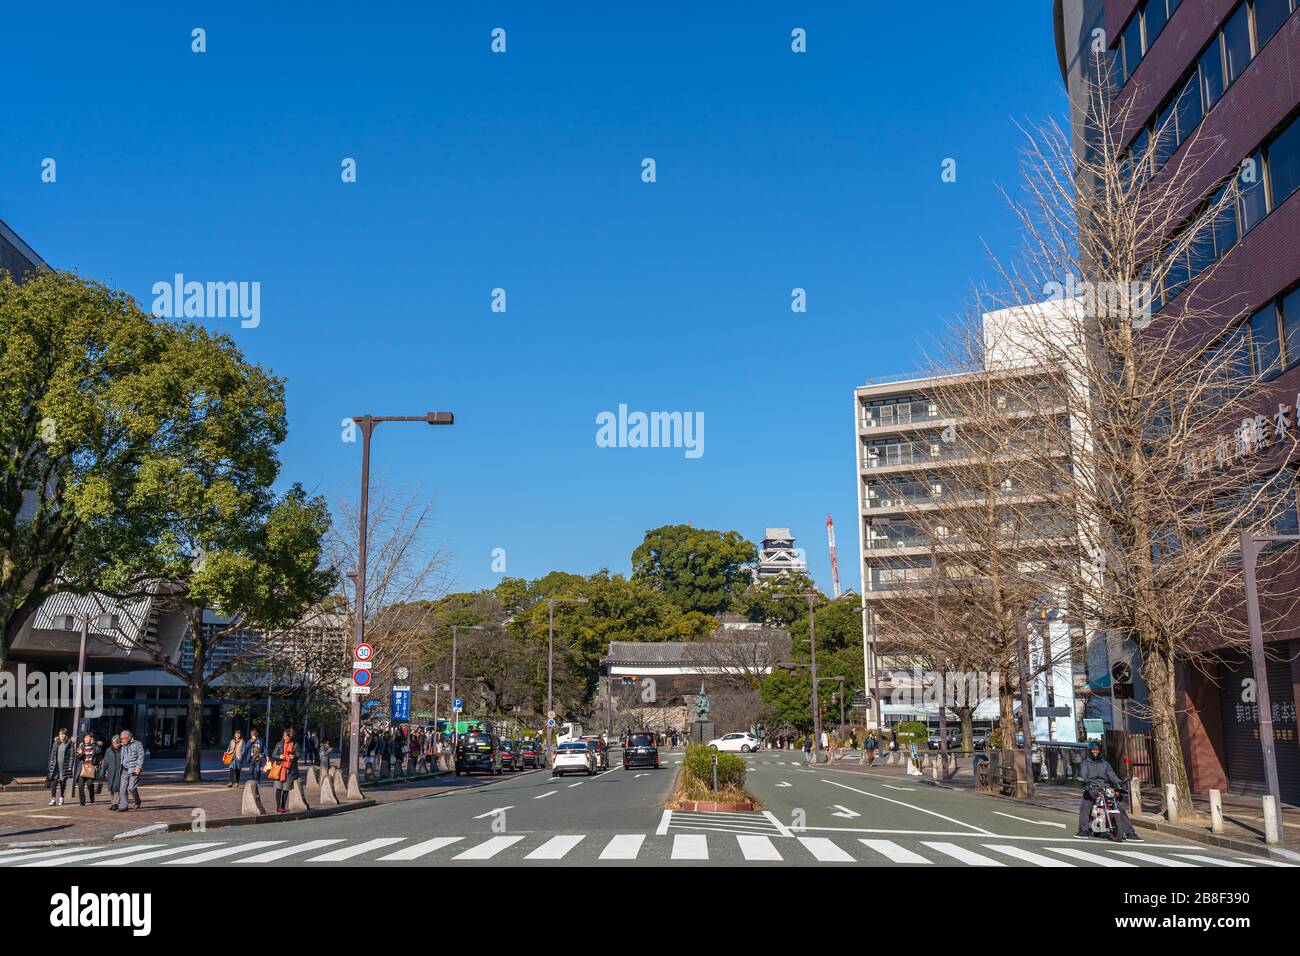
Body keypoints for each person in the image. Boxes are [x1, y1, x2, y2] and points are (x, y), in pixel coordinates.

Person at [1076, 740, 1141, 840]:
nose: (1095, 751)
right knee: (1085, 805)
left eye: (1097, 749)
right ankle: (1083, 830)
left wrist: (1119, 783)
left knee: (1119, 807)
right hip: (1091, 788)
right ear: (1089, 750)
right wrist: (1085, 782)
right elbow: (1083, 774)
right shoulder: (1086, 763)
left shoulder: (1105, 764)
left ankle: (1129, 832)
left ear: (1100, 750)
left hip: (1105, 789)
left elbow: (1112, 775)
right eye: (1093, 749)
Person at [270, 729, 299, 813]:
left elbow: (299, 754)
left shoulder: (295, 745)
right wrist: (280, 756)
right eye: (284, 735)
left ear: (291, 736)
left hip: (290, 769)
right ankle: (278, 807)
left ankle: (283, 806)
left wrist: (294, 757)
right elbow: (273, 754)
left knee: (286, 789)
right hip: (279, 769)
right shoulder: (279, 744)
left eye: (286, 736)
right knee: (278, 788)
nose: (284, 737)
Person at [117, 729, 145, 811]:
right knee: (122, 789)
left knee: (132, 788)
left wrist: (138, 767)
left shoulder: (137, 744)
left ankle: (137, 801)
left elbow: (141, 756)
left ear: (129, 738)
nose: (123, 740)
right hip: (124, 769)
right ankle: (124, 806)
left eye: (124, 739)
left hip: (133, 769)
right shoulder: (122, 745)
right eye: (121, 739)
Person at [47, 728, 74, 806]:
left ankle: (61, 797)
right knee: (53, 783)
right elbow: (52, 754)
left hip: (64, 766)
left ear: (66, 735)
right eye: (60, 734)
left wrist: (70, 766)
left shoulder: (69, 743)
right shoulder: (56, 743)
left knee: (62, 782)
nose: (62, 735)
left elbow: (72, 756)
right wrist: (50, 764)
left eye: (63, 734)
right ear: (58, 735)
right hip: (55, 766)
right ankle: (53, 799)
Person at [75, 731, 100, 806]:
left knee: (89, 784)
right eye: (85, 737)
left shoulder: (94, 746)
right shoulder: (82, 746)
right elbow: (78, 756)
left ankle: (92, 799)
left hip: (91, 768)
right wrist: (79, 753)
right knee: (80, 786)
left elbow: (98, 751)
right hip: (82, 769)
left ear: (91, 738)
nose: (86, 739)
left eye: (88, 737)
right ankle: (82, 802)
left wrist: (93, 744)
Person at [101, 734, 123, 809]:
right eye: (115, 743)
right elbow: (105, 762)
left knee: (117, 788)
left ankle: (115, 804)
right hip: (111, 772)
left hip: (120, 772)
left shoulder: (123, 750)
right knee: (111, 788)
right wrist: (102, 771)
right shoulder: (108, 750)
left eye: (118, 743)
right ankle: (113, 802)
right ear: (112, 743)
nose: (116, 745)